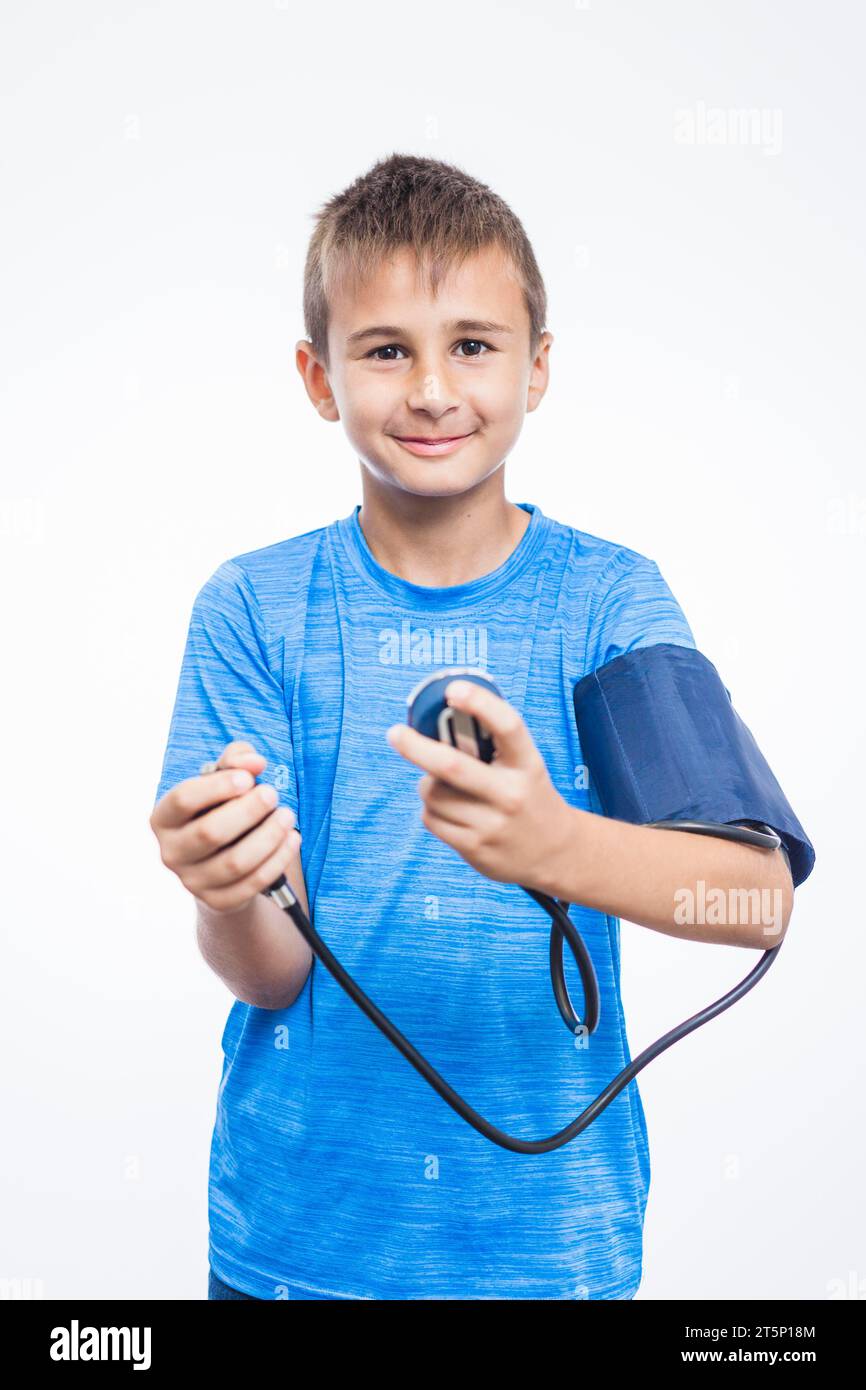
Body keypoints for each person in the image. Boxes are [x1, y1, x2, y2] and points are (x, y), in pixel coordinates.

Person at [150, 153, 812, 1301]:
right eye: (384, 349)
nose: (430, 390)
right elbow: (266, 977)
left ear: (536, 366)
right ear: (318, 377)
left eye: (471, 343)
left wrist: (558, 845)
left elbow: (754, 897)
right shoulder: (252, 608)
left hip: (548, 1256)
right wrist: (223, 891)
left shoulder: (607, 605)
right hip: (299, 1247)